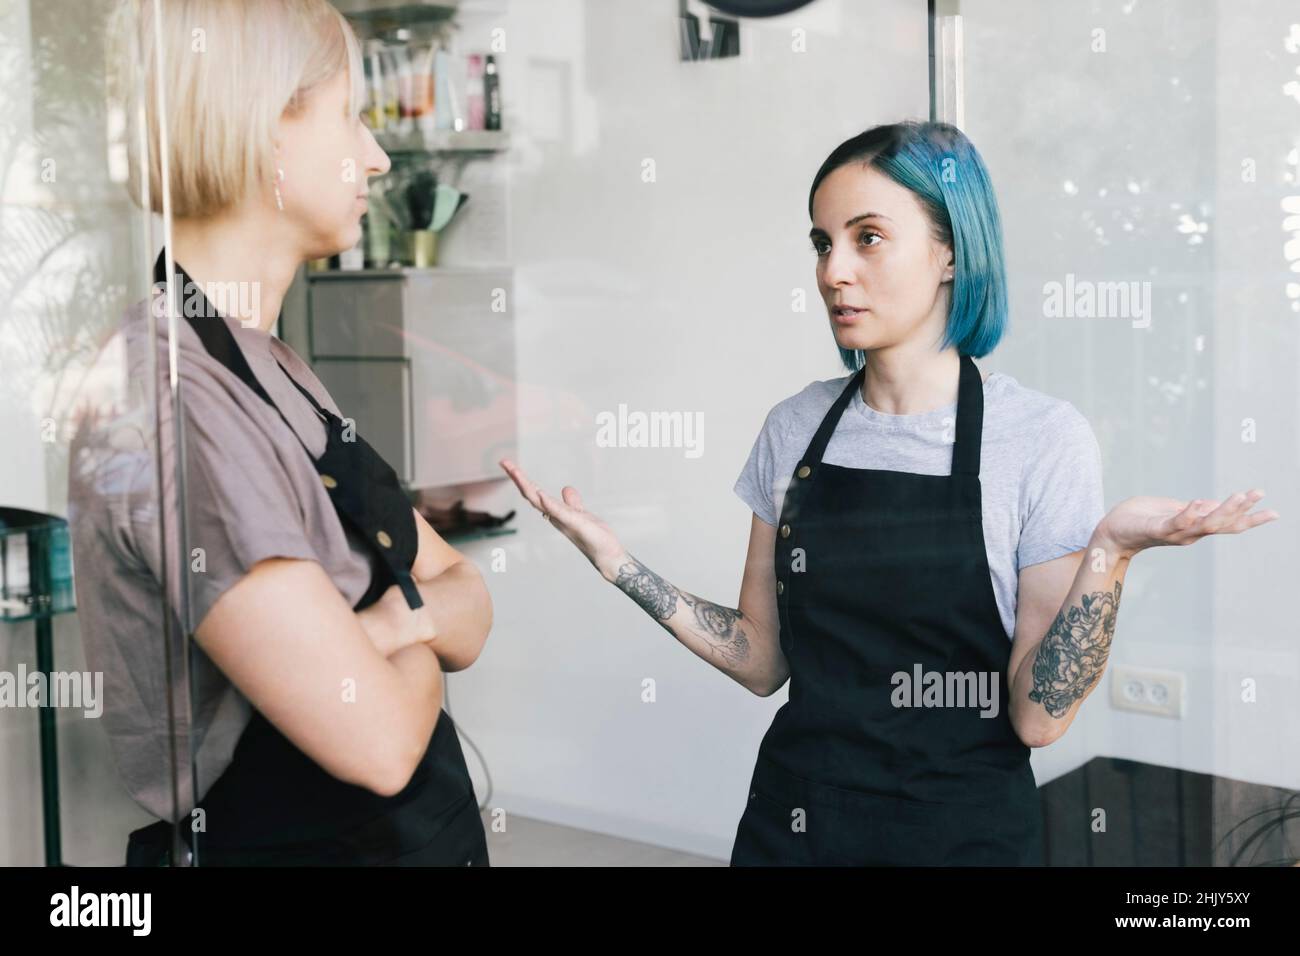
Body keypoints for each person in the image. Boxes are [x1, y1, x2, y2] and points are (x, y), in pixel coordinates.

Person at [498, 120, 1278, 866]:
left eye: (868, 237)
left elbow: (1038, 719)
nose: (834, 271)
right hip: (796, 825)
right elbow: (761, 658)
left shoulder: (1041, 438)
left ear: (949, 251)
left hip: (961, 840)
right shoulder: (795, 426)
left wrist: (1110, 553)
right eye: (822, 242)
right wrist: (619, 566)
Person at [68, 0, 493, 866]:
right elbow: (375, 741)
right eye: (349, 115)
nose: (376, 155)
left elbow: (474, 608)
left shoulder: (274, 364)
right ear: (266, 133)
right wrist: (411, 623)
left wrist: (379, 632)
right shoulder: (173, 397)